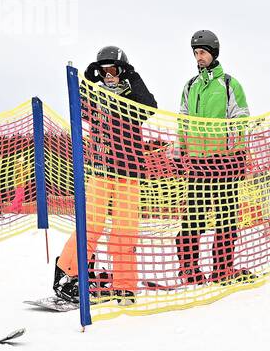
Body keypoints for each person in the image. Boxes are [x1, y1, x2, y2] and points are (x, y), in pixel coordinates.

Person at [53, 46, 157, 303]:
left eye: (113, 70)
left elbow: (150, 107)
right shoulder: (96, 98)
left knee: (125, 230)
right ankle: (69, 276)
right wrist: (88, 78)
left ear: (122, 72)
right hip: (100, 171)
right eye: (103, 71)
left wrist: (132, 76)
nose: (108, 75)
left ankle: (124, 286)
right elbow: (80, 108)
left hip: (128, 171)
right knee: (90, 226)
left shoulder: (132, 97)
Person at [177, 29, 255, 285]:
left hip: (224, 161)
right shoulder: (191, 86)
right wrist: (182, 150)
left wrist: (237, 152)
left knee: (225, 217)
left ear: (213, 53)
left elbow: (241, 118)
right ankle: (189, 268)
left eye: (202, 53)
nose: (198, 57)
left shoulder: (230, 84)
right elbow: (183, 121)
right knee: (194, 217)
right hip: (198, 162)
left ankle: (222, 269)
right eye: (195, 53)